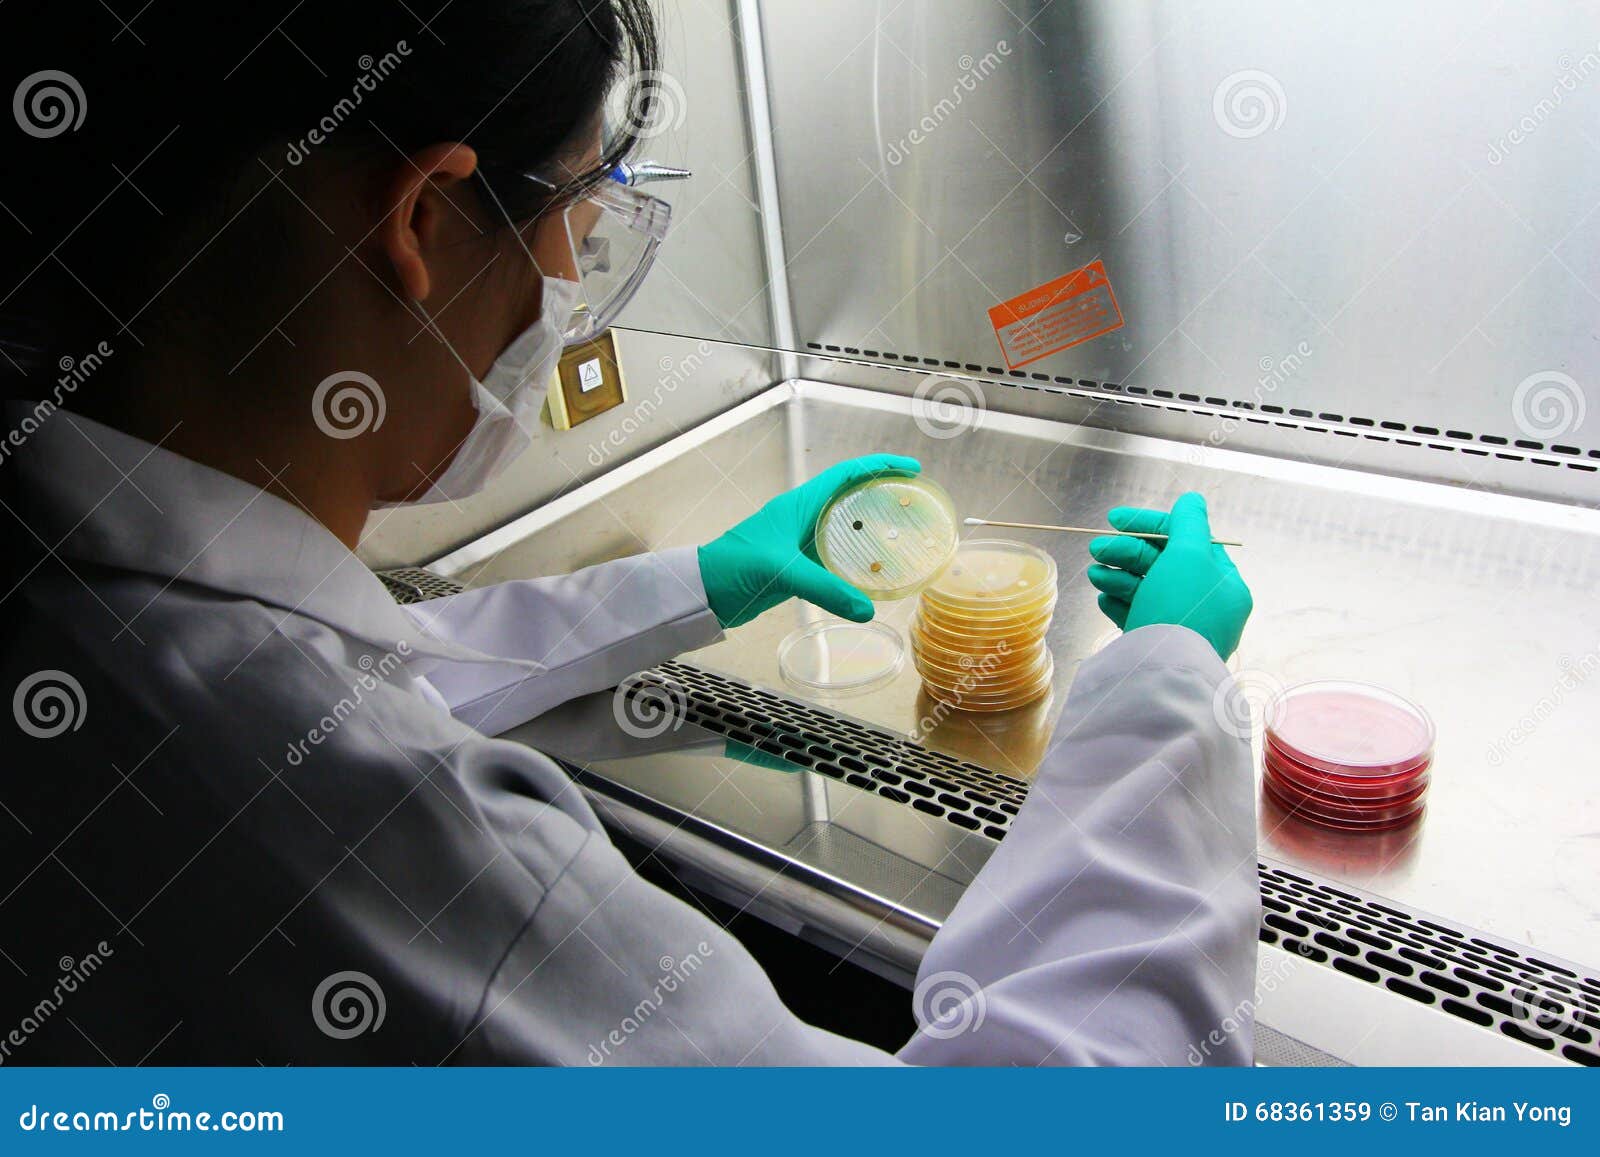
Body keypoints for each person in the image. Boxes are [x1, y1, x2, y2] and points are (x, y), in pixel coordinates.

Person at [0, 0, 1257, 1064]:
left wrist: (693, 585)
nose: (567, 307)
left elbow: (350, 671)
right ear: (426, 220)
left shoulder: (73, 571)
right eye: (580, 238)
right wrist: (1164, 701)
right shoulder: (394, 843)